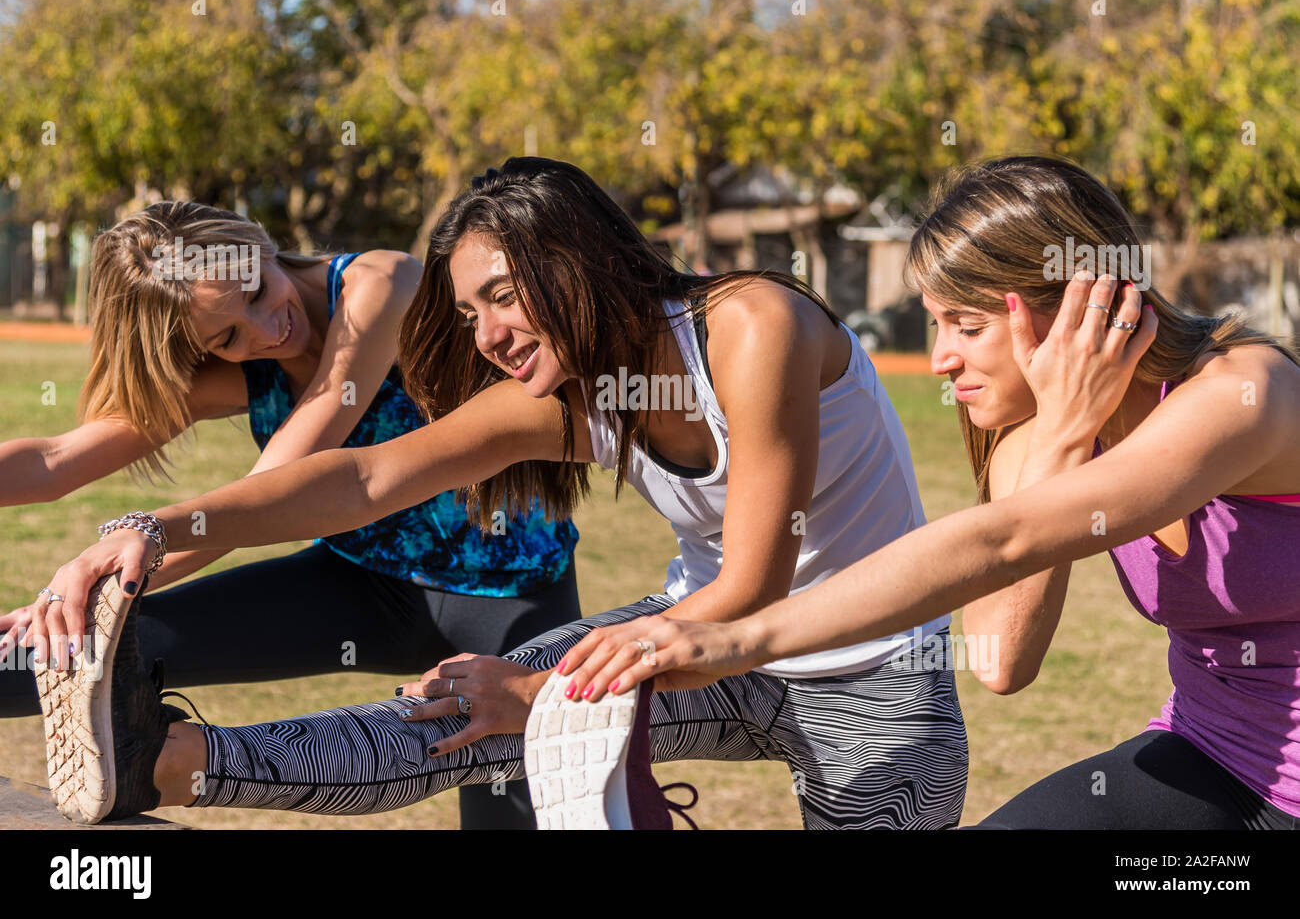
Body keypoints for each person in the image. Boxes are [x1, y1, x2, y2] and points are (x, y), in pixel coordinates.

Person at [27, 157, 966, 829]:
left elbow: (757, 586)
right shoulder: (566, 395)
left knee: (511, 700)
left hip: (875, 677)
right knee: (451, 712)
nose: (486, 336)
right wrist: (151, 527)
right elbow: (366, 477)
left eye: (506, 296)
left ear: (579, 259)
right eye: (472, 314)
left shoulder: (751, 325)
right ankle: (166, 765)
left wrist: (551, 690)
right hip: (694, 641)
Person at [555, 155, 1300, 830]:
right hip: (1211, 755)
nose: (941, 358)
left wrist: (731, 640)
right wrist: (1064, 439)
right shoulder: (1032, 438)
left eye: (966, 327)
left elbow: (999, 541)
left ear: (1077, 304)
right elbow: (1002, 660)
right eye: (936, 324)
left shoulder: (1242, 396)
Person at [0, 201, 579, 829]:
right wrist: (79, 605)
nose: (266, 331)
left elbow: (277, 481)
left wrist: (112, 570)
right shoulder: (239, 367)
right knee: (71, 648)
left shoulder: (381, 283)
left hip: (515, 601)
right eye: (226, 338)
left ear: (258, 241)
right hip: (359, 589)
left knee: (511, 818)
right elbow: (57, 459)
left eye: (256, 289)